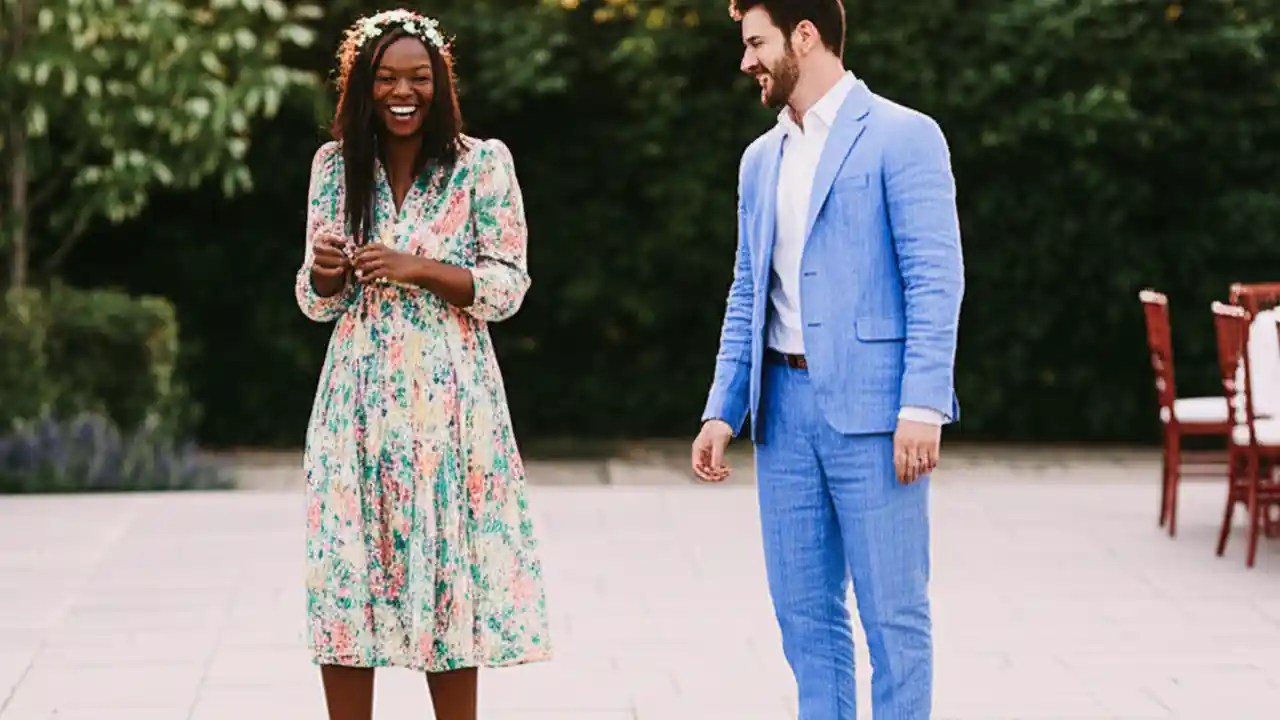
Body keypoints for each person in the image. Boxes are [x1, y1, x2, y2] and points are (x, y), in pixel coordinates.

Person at [691, 1, 964, 718]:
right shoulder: (760, 159)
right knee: (805, 619)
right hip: (782, 416)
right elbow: (748, 289)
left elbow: (935, 279)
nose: (746, 61)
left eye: (757, 43)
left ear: (804, 37)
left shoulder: (905, 136)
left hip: (877, 415)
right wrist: (722, 408)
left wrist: (922, 405)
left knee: (894, 620)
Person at [295, 9, 552, 720]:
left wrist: (419, 268)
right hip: (356, 401)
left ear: (441, 83)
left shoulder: (482, 164)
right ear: (363, 86)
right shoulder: (333, 166)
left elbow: (507, 287)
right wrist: (324, 273)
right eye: (386, 78)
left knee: (447, 574)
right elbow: (316, 303)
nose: (403, 92)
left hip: (451, 404)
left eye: (418, 78)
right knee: (348, 574)